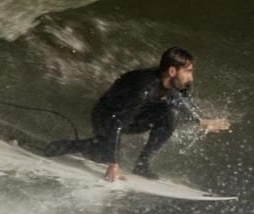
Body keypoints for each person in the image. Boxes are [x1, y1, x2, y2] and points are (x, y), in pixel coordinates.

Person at [42, 47, 231, 182]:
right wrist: (113, 163)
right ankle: (65, 146)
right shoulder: (144, 89)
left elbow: (180, 100)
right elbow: (116, 123)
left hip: (135, 117)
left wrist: (200, 121)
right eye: (188, 72)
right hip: (107, 116)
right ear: (172, 71)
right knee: (102, 153)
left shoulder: (175, 84)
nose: (191, 77)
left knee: (170, 113)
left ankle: (142, 165)